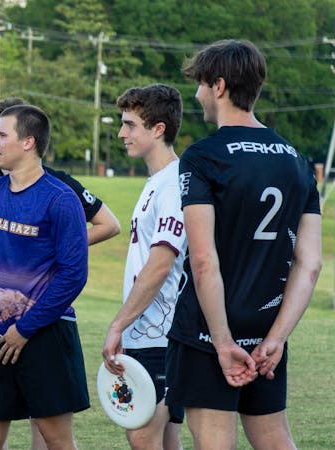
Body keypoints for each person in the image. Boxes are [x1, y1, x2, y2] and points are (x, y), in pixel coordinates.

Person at [166, 39, 322, 449]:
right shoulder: (297, 161)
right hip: (266, 329)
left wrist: (222, 343)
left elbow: (203, 261)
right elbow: (310, 265)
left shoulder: (202, 156)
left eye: (201, 84)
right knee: (275, 439)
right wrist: (277, 338)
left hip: (209, 329)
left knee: (215, 440)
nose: (197, 94)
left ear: (218, 86)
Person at [0, 104, 89, 450]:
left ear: (28, 142)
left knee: (55, 439)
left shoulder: (61, 199)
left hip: (44, 334)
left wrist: (26, 328)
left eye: (2, 135)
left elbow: (74, 275)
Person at [101, 84, 186, 450]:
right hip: (149, 334)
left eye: (130, 125)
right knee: (165, 436)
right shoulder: (156, 182)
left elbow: (160, 265)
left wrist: (118, 324)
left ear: (158, 129)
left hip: (162, 335)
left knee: (142, 433)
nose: (122, 133)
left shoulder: (173, 186)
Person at [0, 97, 120, 249]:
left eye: (3, 135)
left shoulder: (60, 185)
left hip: (39, 283)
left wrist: (56, 248)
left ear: (28, 140)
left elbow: (109, 225)